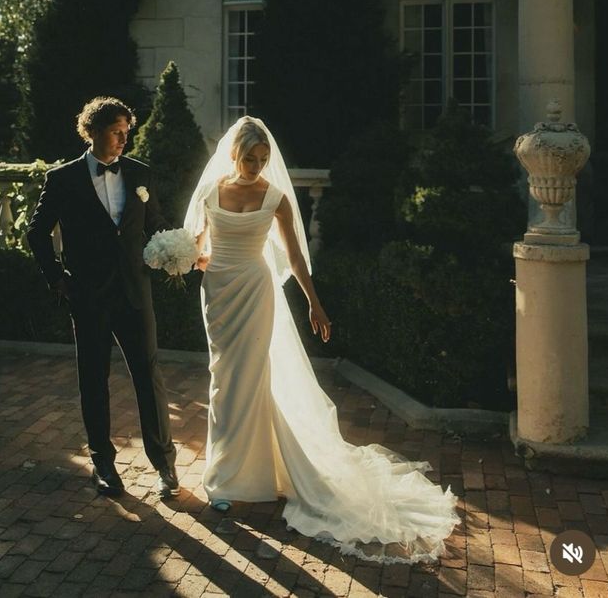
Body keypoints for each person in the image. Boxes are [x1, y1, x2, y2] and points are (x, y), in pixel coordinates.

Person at [184, 116, 458, 563]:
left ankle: (233, 479)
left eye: (263, 159)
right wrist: (192, 257)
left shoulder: (274, 198)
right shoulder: (211, 192)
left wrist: (315, 302)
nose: (256, 166)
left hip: (255, 291)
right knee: (222, 378)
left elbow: (293, 255)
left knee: (250, 378)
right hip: (218, 292)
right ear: (234, 155)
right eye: (249, 158)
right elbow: (200, 244)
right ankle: (237, 471)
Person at [27, 96, 179, 499]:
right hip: (89, 295)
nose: (122, 140)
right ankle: (104, 465)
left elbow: (156, 224)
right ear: (92, 131)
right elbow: (36, 233)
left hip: (134, 292)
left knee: (150, 378)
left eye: (126, 133)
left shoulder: (140, 174)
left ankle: (165, 466)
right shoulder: (63, 179)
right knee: (94, 381)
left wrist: (177, 247)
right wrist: (57, 278)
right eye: (116, 132)